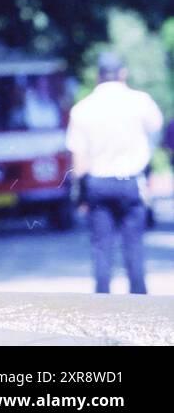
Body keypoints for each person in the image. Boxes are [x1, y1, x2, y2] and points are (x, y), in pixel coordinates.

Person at [67, 51, 163, 294]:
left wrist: (79, 195)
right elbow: (155, 133)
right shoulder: (141, 102)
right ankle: (140, 305)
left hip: (98, 184)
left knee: (101, 248)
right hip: (131, 182)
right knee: (134, 248)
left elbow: (79, 159)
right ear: (123, 73)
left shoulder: (82, 109)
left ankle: (102, 305)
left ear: (98, 76)